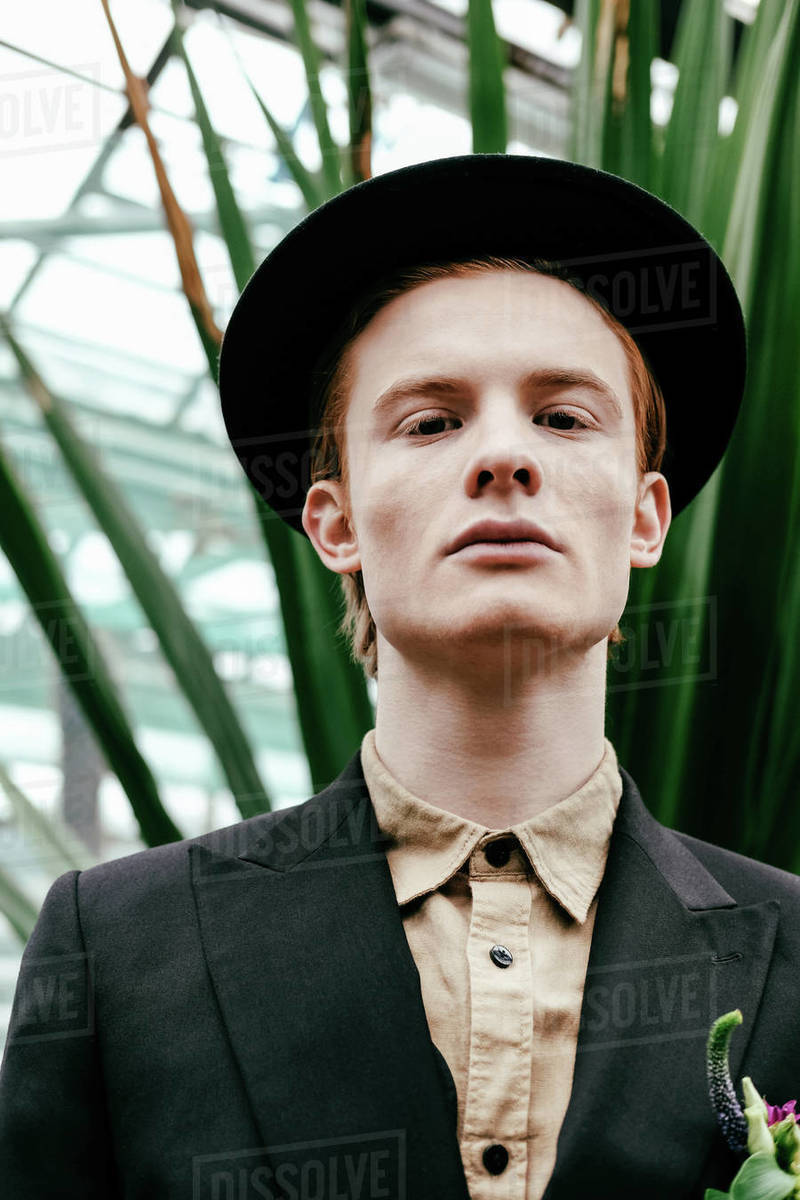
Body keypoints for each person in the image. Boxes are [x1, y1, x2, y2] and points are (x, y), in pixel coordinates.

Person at [1, 154, 799, 1200]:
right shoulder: (121, 950)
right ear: (334, 523)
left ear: (644, 517)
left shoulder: (790, 953)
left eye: (562, 418)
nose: (503, 455)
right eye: (429, 421)